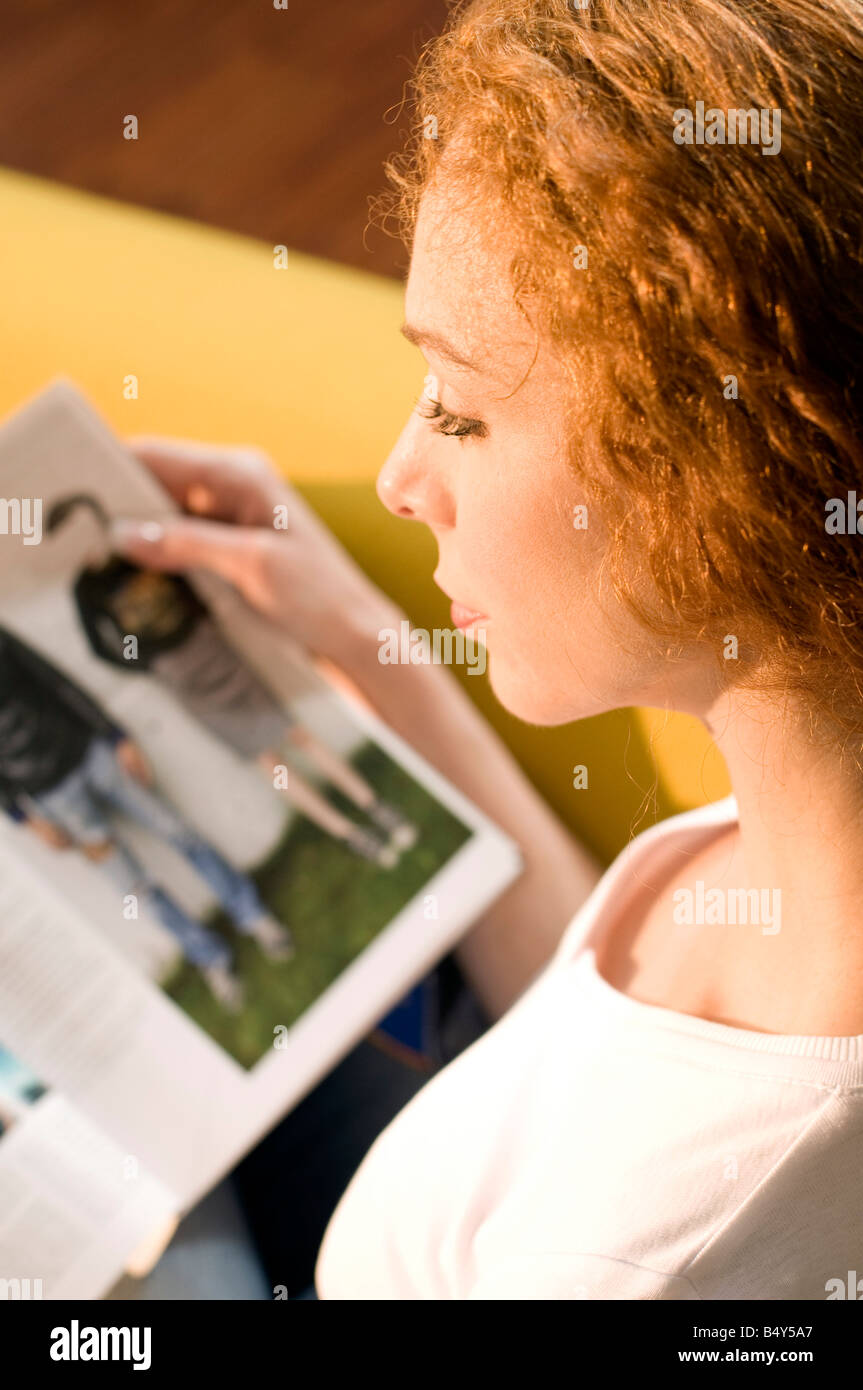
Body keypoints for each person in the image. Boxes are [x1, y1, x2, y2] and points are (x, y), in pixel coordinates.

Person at [112, 0, 863, 1299]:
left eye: (457, 411)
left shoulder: (652, 1264)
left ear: (725, 465)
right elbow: (611, 1076)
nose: (400, 477)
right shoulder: (797, 865)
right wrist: (374, 649)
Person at [45, 493, 417, 869]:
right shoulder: (86, 589)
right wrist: (150, 664)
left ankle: (374, 806)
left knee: (292, 732)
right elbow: (100, 646)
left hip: (210, 649)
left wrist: (202, 620)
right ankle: (348, 833)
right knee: (266, 758)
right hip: (180, 674)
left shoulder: (135, 550)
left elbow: (181, 574)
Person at [0, 624, 292, 1011]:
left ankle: (252, 915)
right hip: (51, 797)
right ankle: (210, 957)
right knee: (132, 890)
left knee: (179, 832)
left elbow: (53, 680)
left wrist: (115, 735)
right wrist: (22, 816)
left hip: (88, 751)